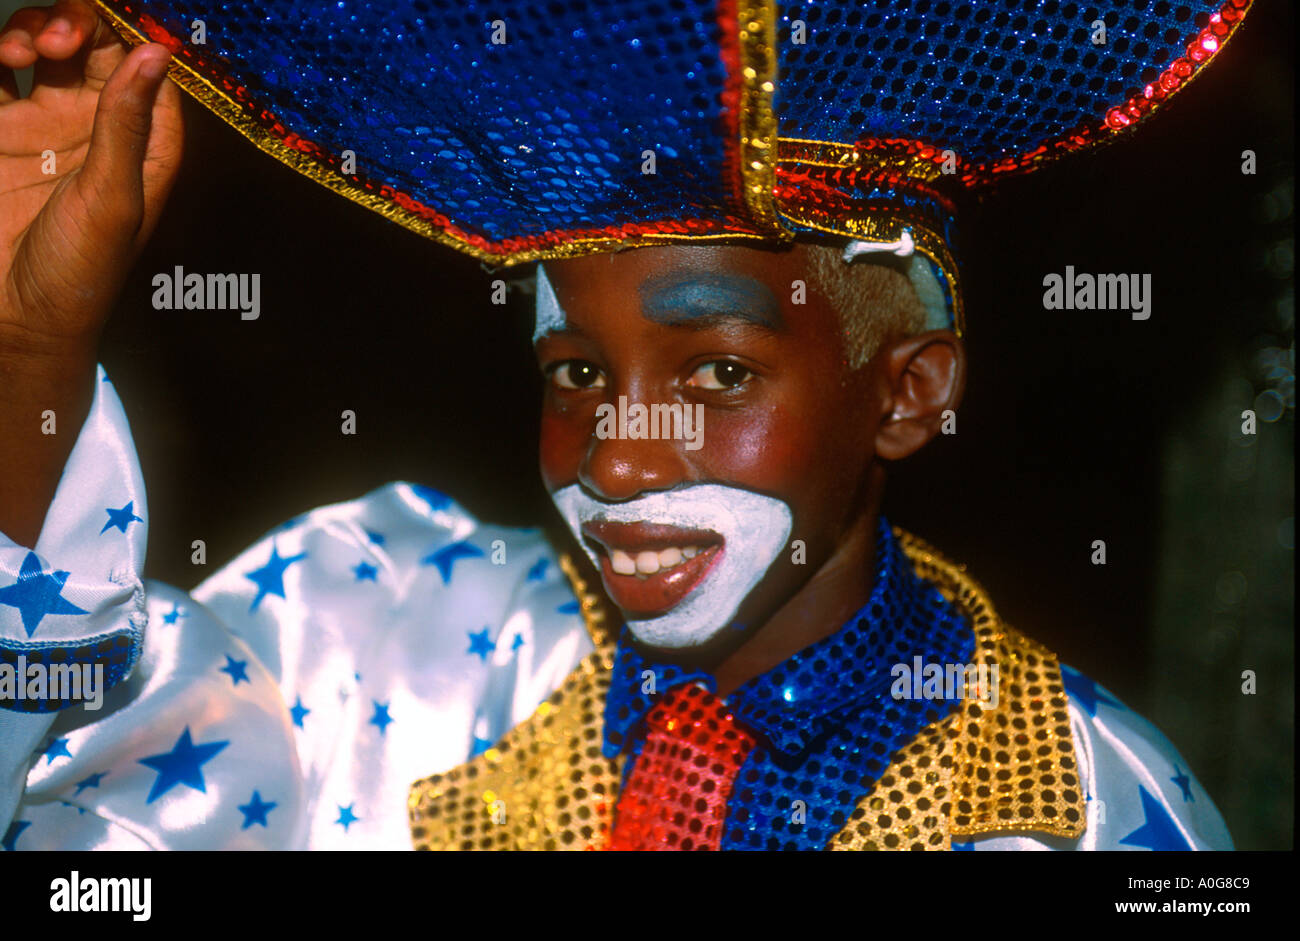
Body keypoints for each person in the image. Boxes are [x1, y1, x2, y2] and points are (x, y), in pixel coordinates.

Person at [0, 0, 1246, 851]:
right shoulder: (381, 644)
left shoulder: (1084, 810)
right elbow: (57, 770)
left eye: (713, 373)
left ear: (908, 391)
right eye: (577, 371)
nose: (614, 454)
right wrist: (28, 347)